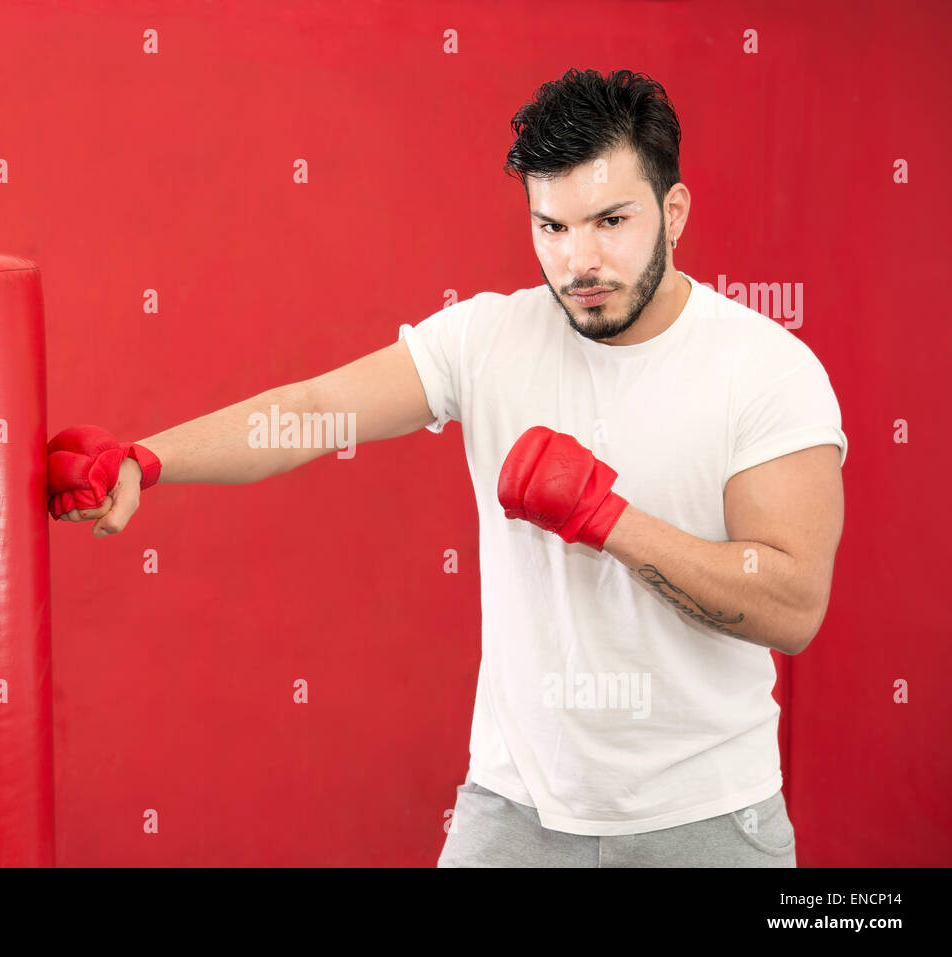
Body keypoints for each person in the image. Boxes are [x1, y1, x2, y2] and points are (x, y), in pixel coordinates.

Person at [46, 68, 846, 868]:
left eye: (610, 220)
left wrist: (609, 522)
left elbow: (791, 604)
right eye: (553, 227)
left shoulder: (765, 368)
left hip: (703, 820)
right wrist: (152, 458)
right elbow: (313, 409)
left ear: (673, 212)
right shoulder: (488, 339)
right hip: (512, 812)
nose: (579, 260)